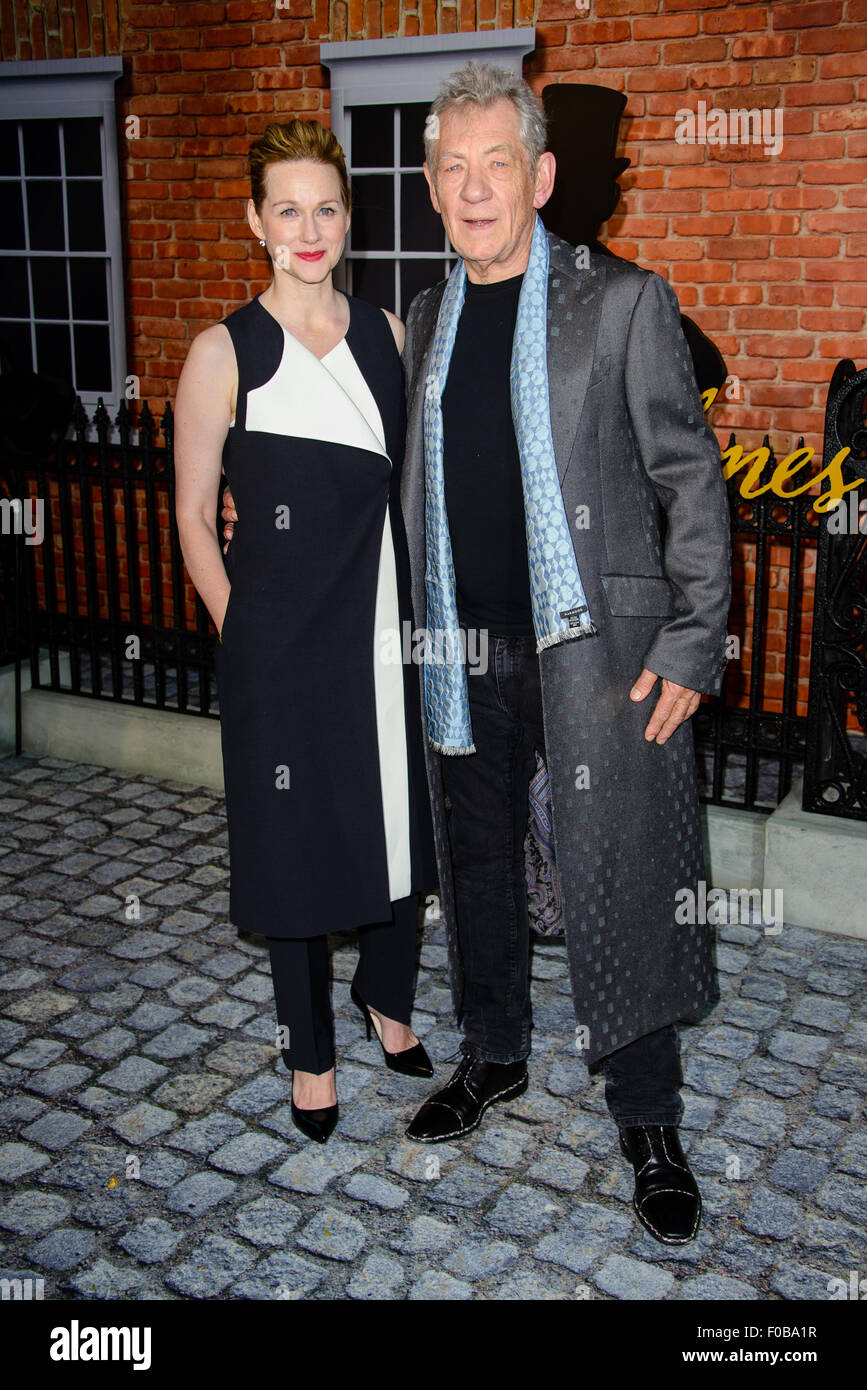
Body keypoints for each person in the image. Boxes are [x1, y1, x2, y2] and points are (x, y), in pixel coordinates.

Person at [394, 63, 731, 1248]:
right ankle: (493, 1055)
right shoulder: (427, 319)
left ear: (538, 176)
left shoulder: (625, 303)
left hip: (599, 654)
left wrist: (696, 642)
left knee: (623, 874)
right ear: (432, 187)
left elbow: (691, 479)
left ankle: (649, 1119)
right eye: (454, 167)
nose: (476, 188)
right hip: (463, 652)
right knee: (476, 863)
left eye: (499, 164)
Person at [174, 118, 435, 1147]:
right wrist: (246, 633)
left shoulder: (390, 336)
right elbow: (196, 518)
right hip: (278, 644)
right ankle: (311, 1049)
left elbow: (416, 487)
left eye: (327, 207)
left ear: (348, 217)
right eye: (288, 208)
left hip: (382, 630)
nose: (310, 227)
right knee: (291, 847)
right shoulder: (222, 351)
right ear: (256, 221)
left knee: (395, 828)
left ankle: (388, 994)